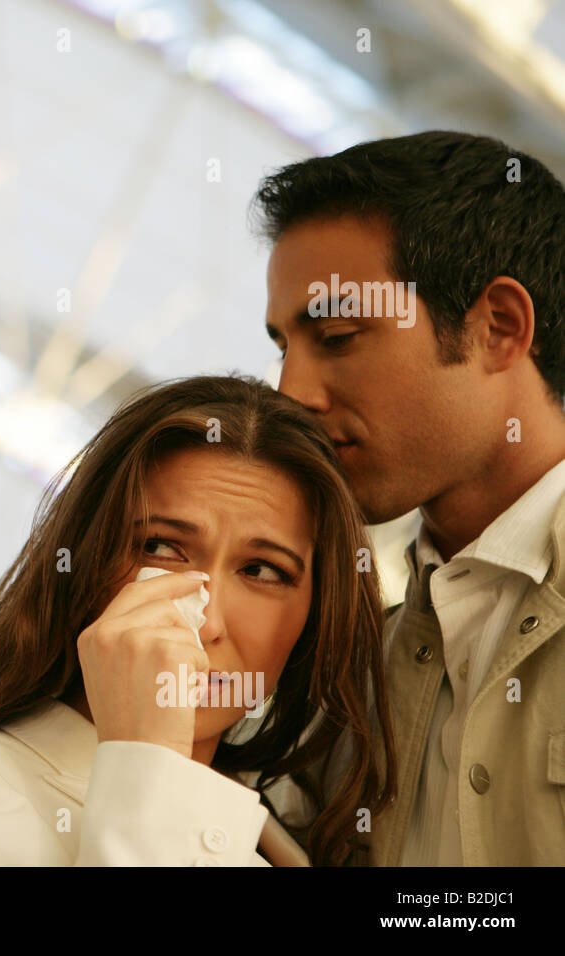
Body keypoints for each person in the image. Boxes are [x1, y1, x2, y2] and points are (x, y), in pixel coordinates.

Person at [0, 375, 395, 866]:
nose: (205, 619)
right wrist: (148, 758)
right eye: (162, 549)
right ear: (86, 565)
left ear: (310, 622)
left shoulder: (282, 843)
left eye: (263, 570)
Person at [254, 130, 565, 865]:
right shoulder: (343, 691)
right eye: (282, 347)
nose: (289, 394)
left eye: (335, 335)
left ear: (498, 328)